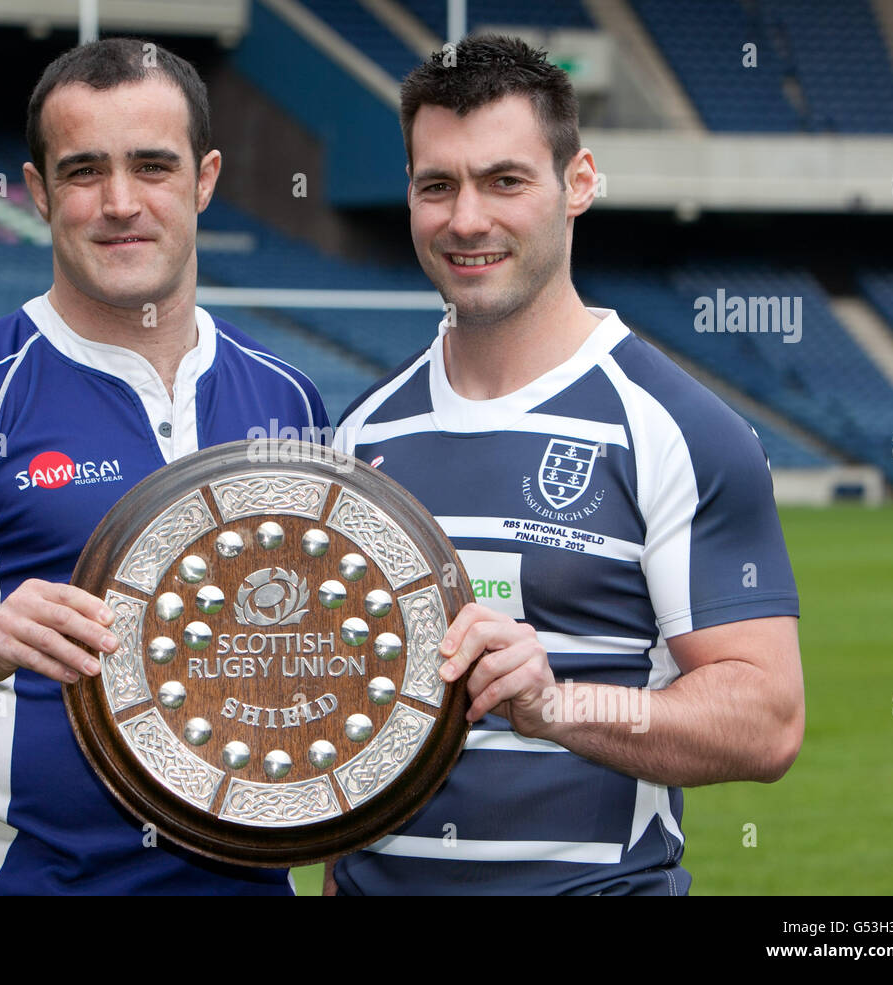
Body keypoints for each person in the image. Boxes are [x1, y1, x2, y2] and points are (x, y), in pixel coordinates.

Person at [0, 38, 328, 895]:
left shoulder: (290, 401)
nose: (120, 202)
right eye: (83, 171)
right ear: (38, 191)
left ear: (205, 179)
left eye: (153, 165)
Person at [328, 34, 804, 895]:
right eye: (438, 185)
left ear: (577, 182)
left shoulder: (680, 430)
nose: (466, 219)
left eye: (505, 180)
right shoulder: (357, 438)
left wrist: (560, 705)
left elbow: (767, 721)